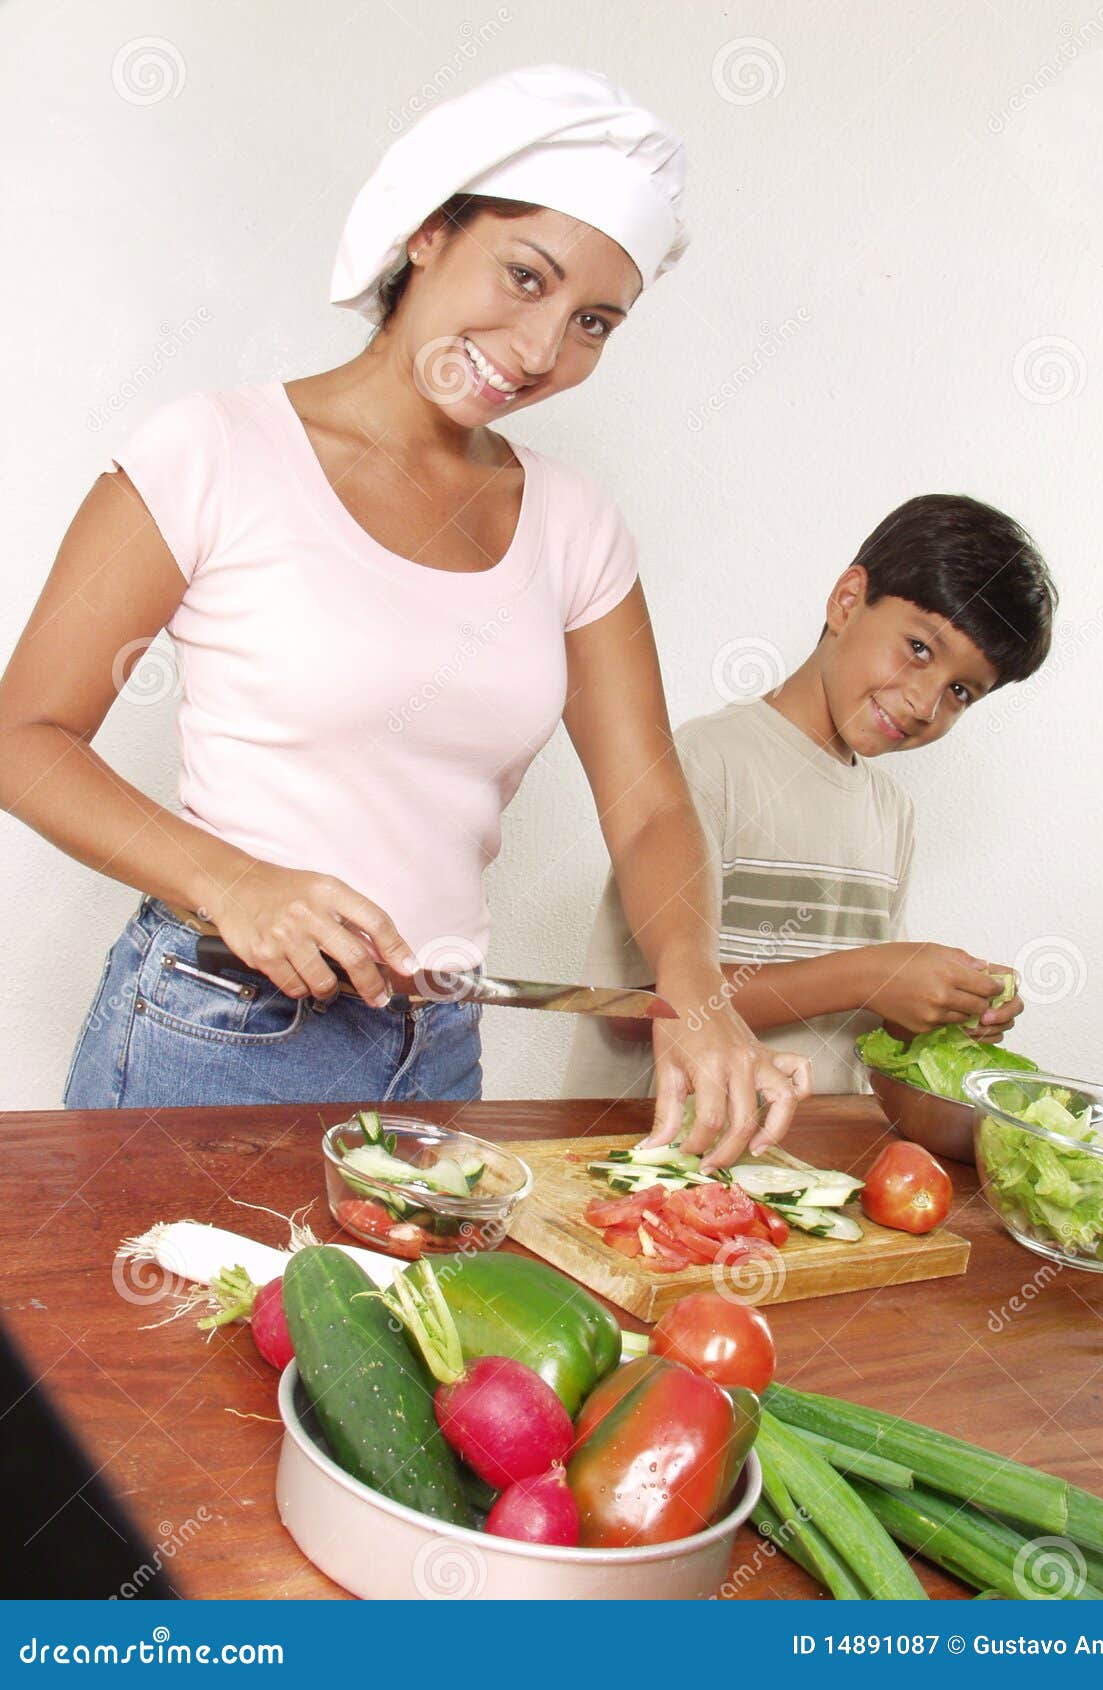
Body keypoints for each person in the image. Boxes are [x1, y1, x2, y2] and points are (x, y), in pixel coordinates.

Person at [0, 65, 807, 1163]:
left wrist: (699, 992)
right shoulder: (215, 452)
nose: (537, 352)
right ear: (428, 232)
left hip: (440, 1044)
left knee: (403, 1337)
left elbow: (651, 803)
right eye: (523, 277)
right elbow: (22, 739)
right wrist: (230, 880)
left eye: (593, 323)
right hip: (215, 1027)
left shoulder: (573, 525)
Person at [563, 492, 1058, 1113]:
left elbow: (855, 1020)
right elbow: (634, 1009)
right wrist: (873, 974)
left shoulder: (892, 815)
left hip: (810, 1167)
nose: (924, 703)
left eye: (959, 690)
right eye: (920, 649)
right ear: (848, 601)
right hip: (659, 1165)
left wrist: (932, 1009)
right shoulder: (706, 762)